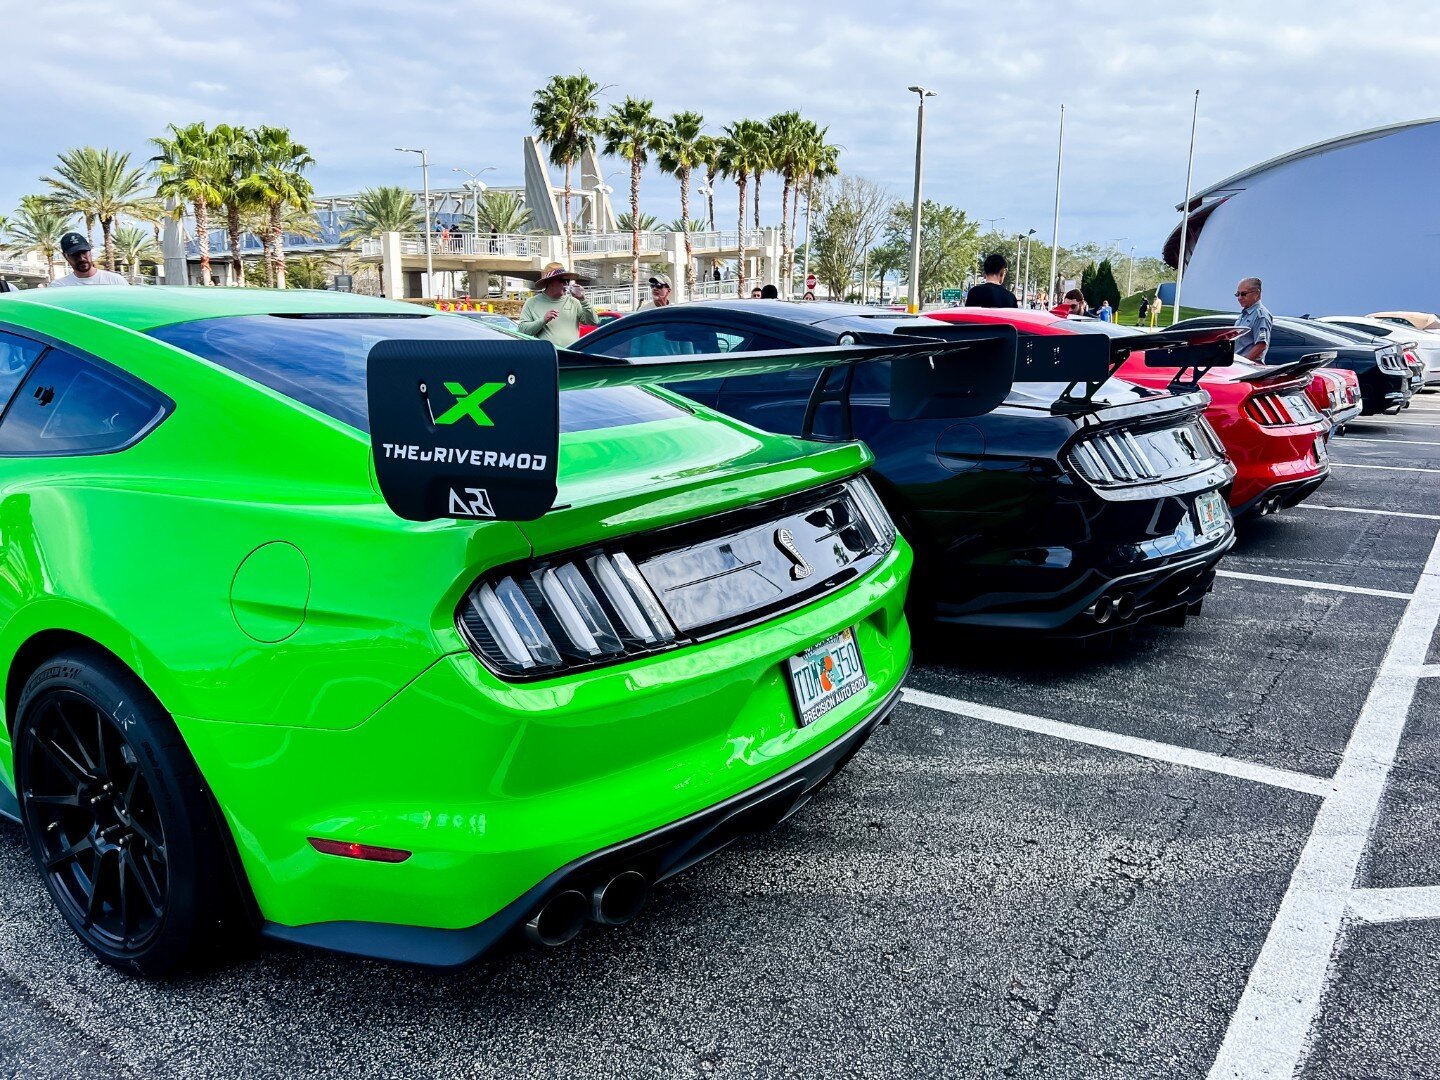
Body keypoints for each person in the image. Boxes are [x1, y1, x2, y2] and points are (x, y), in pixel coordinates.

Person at [517, 262, 597, 347]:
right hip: (547, 356)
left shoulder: (574, 302)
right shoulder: (532, 302)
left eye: (568, 281)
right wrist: (543, 320)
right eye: (563, 281)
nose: (566, 284)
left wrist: (583, 300)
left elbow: (593, 322)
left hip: (571, 355)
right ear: (550, 281)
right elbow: (523, 331)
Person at [49, 233, 129, 288]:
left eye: (84, 252)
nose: (81, 258)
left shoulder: (115, 281)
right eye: (75, 254)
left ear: (90, 251)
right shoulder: (60, 286)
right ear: (65, 256)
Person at [1233, 277, 1272, 362]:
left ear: (1257, 294)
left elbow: (1261, 345)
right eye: (1237, 294)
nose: (1239, 298)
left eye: (1243, 294)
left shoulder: (1260, 315)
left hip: (1247, 369)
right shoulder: (1244, 314)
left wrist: (1243, 364)